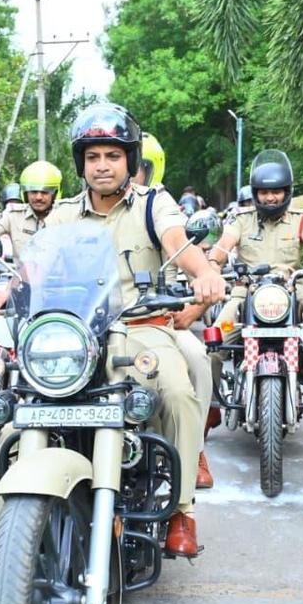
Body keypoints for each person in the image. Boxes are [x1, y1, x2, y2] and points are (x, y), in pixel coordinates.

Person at [0, 103, 225, 595]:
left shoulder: (154, 203)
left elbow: (177, 239)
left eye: (111, 155)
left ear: (129, 160)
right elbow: (35, 264)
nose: (101, 165)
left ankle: (183, 512)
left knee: (175, 393)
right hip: (76, 337)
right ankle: (5, 546)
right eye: (92, 156)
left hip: (141, 329)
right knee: (19, 420)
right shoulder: (62, 214)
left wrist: (204, 271)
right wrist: (8, 285)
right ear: (81, 163)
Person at [205, 149, 303, 410]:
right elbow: (223, 247)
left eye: (277, 192)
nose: (270, 197)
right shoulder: (241, 220)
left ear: (287, 192)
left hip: (291, 286)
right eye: (264, 192)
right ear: (256, 194)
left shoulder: (300, 220)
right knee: (215, 338)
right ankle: (212, 406)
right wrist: (213, 266)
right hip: (246, 289)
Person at [133, 138, 217, 490]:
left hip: (162, 320)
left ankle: (194, 447)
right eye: (98, 157)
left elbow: (187, 252)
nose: (112, 167)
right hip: (103, 325)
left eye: (130, 162)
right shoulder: (79, 209)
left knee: (198, 358)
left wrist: (196, 302)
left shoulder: (160, 207)